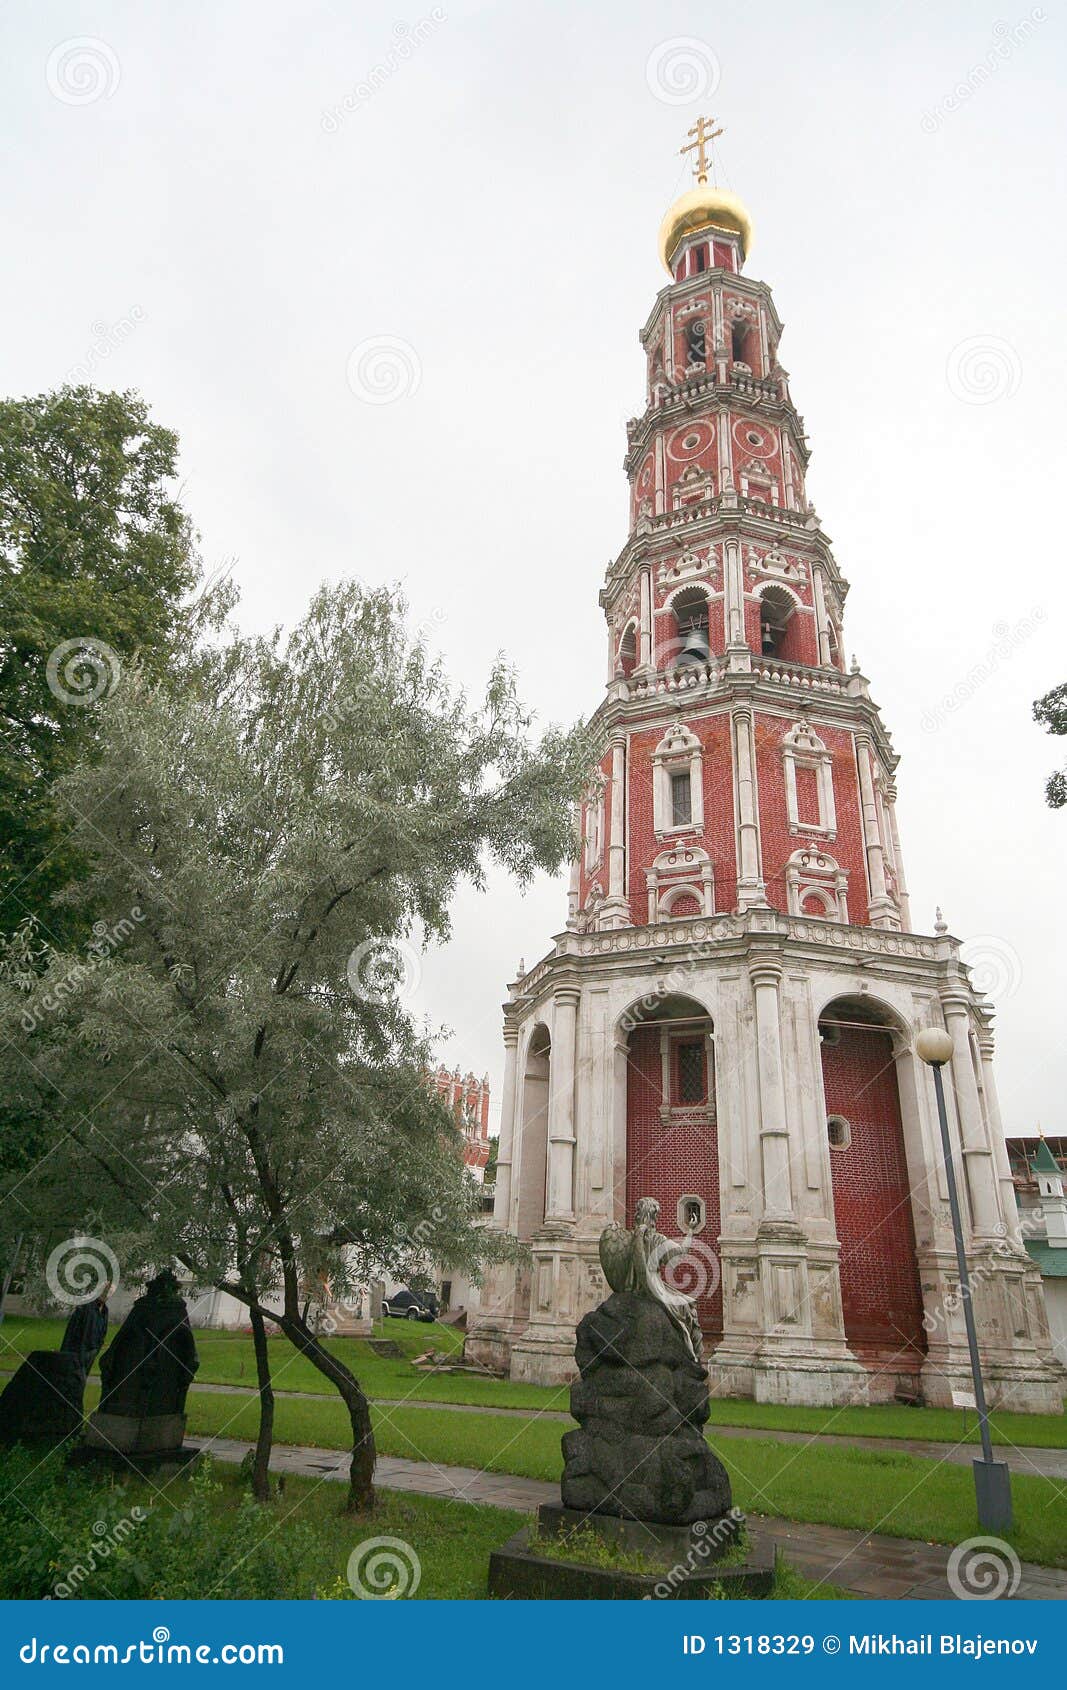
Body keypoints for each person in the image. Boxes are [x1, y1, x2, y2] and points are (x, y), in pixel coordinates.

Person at [59, 1283, 110, 1380]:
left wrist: (98, 1347)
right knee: (72, 1379)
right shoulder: (85, 1307)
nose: (106, 1295)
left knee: (82, 1380)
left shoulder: (105, 1311)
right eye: (104, 1291)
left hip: (92, 1351)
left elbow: (103, 1331)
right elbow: (71, 1332)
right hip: (78, 1352)